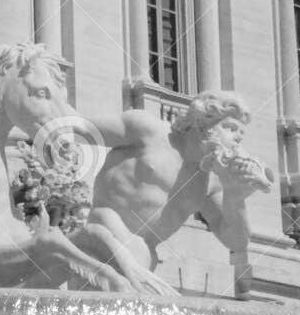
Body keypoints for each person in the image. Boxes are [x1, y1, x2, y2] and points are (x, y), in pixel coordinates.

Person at [81, 90, 274, 295]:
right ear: (203, 122)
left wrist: (235, 196)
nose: (237, 140)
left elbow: (236, 241)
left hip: (145, 254)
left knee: (143, 262)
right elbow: (80, 128)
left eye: (241, 136)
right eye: (230, 128)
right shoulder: (150, 131)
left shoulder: (211, 180)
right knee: (138, 257)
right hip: (106, 226)